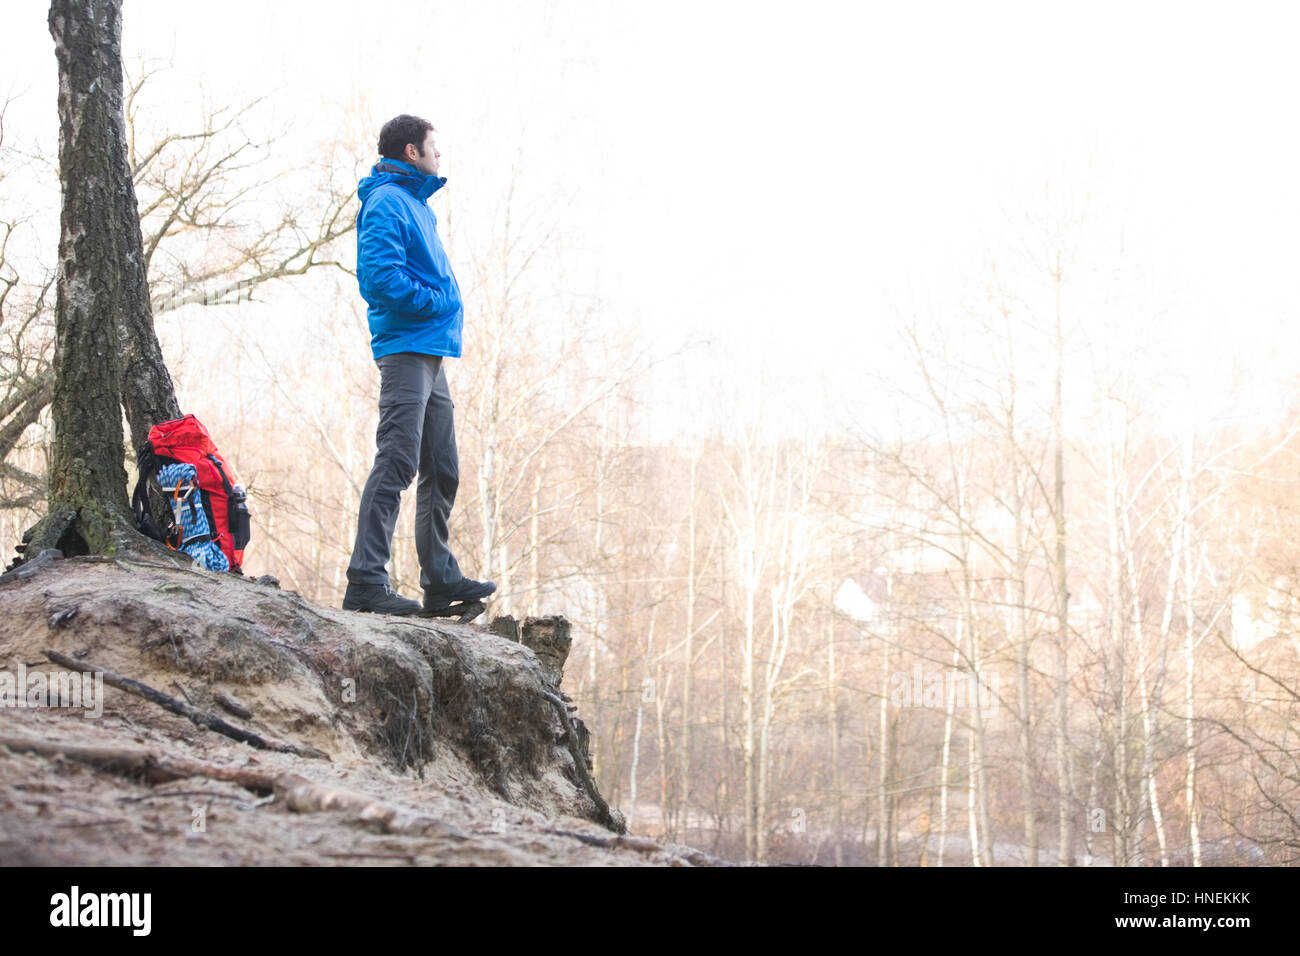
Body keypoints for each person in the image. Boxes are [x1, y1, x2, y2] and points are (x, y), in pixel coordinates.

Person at [342, 114, 495, 615]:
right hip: (407, 348)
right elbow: (379, 278)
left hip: (431, 351)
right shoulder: (387, 202)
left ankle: (440, 578)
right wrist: (436, 301)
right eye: (434, 147)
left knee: (442, 466)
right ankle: (366, 581)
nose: (439, 156)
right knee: (398, 459)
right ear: (412, 151)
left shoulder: (415, 204)